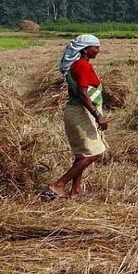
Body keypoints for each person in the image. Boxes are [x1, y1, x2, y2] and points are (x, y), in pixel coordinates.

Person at [49, 34, 108, 199]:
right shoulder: (83, 66)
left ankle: (74, 192)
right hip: (81, 112)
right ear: (86, 49)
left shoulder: (78, 65)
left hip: (76, 111)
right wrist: (98, 116)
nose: (98, 50)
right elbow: (83, 93)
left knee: (82, 154)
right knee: (94, 153)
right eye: (96, 47)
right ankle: (59, 184)